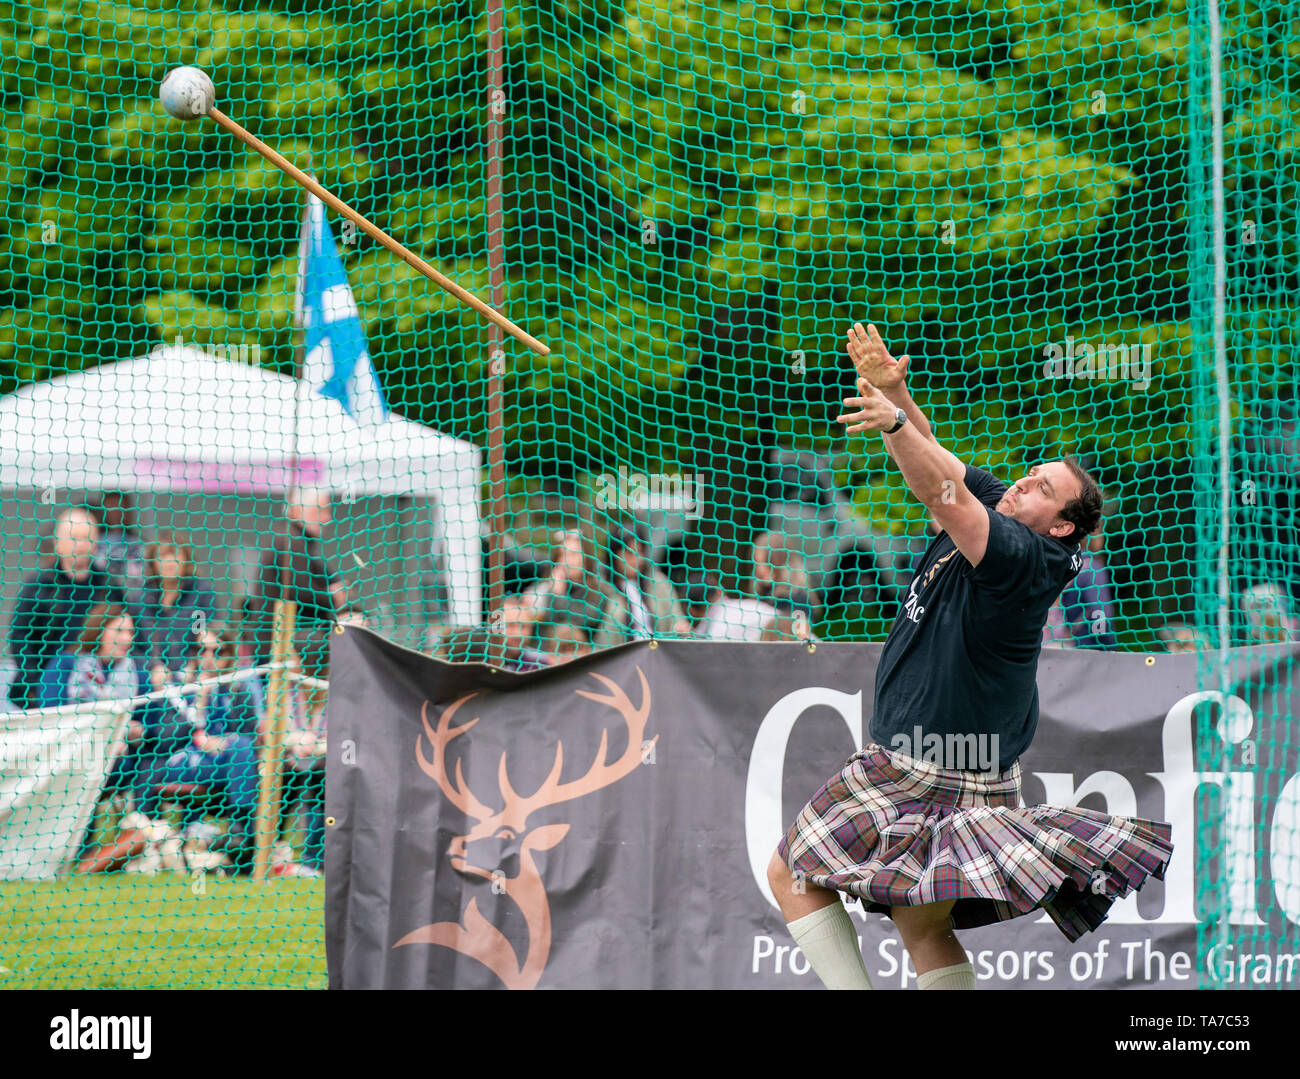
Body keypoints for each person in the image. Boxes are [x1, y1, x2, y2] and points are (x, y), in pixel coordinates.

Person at [766, 322, 1173, 991]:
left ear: (1063, 523)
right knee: (922, 923)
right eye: (1030, 473)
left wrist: (895, 421)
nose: (1022, 483)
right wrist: (899, 395)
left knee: (791, 870)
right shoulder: (1008, 514)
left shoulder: (1022, 555)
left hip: (923, 762)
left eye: (1042, 487)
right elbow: (945, 467)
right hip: (966, 762)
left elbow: (940, 494)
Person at [6, 509, 126, 710]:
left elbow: (130, 632)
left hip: (97, 692)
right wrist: (36, 682)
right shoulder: (39, 586)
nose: (79, 545)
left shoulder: (109, 587)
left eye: (86, 538)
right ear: (58, 544)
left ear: (96, 543)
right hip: (43, 692)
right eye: (73, 538)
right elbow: (20, 638)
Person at [244, 486, 348, 714]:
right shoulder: (291, 540)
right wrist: (333, 597)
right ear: (298, 510)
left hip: (280, 645)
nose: (328, 518)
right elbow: (300, 590)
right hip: (279, 647)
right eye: (322, 510)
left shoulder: (295, 540)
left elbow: (316, 580)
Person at [133, 532, 219, 685]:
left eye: (176, 556)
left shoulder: (200, 594)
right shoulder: (140, 600)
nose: (170, 562)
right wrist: (153, 666)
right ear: (153, 562)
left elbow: (201, 629)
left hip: (191, 677)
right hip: (147, 678)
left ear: (186, 560)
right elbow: (133, 646)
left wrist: (193, 663)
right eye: (163, 556)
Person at [601, 520, 692, 641]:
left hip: (658, 653)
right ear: (614, 555)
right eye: (629, 553)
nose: (637, 559)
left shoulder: (658, 582)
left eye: (640, 552)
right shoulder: (602, 589)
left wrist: (679, 628)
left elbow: (677, 617)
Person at [87, 491, 150, 612]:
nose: (116, 512)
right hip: (101, 606)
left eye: (121, 506)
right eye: (111, 507)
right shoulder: (92, 543)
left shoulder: (140, 544)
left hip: (135, 606)